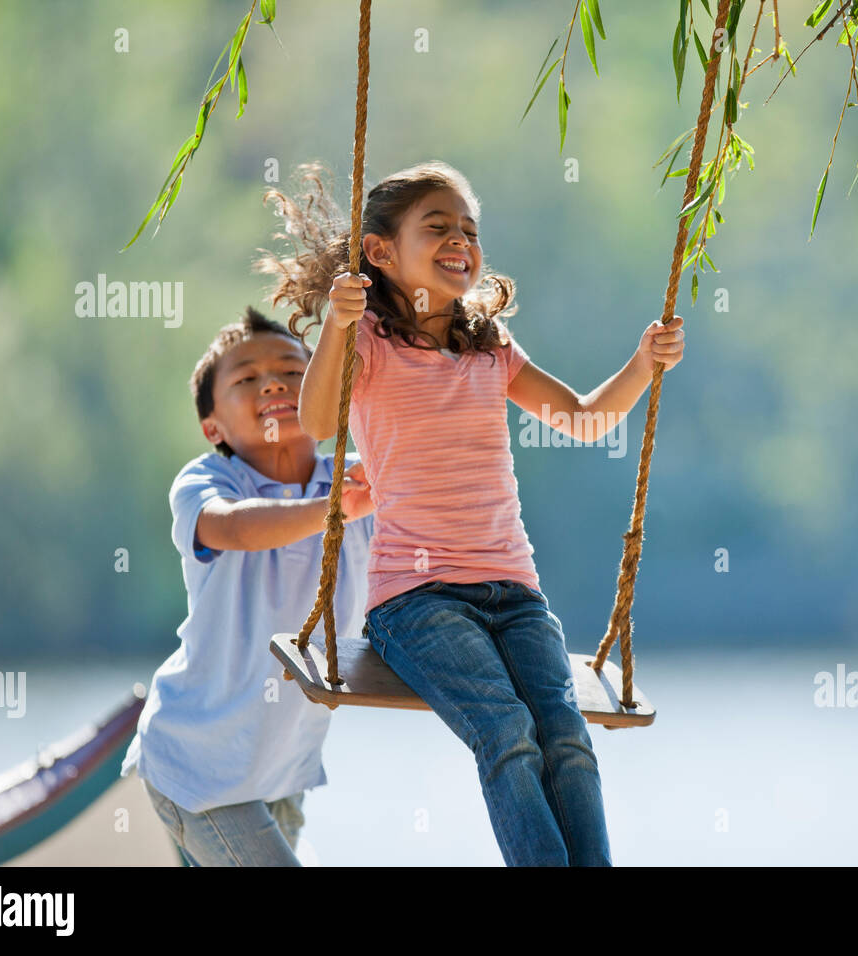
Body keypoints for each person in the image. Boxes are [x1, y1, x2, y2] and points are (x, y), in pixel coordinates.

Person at [256, 160, 685, 867]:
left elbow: (581, 419)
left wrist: (642, 364)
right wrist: (337, 322)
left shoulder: (488, 346)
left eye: (469, 230)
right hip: (416, 602)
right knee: (506, 729)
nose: (461, 241)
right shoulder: (366, 343)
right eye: (438, 227)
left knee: (566, 737)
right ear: (380, 252)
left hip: (514, 593)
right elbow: (316, 419)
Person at [120, 306, 375, 866]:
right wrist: (333, 510)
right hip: (197, 766)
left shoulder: (361, 478)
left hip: (285, 769)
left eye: (292, 369)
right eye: (245, 379)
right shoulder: (208, 480)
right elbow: (232, 527)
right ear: (213, 428)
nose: (275, 383)